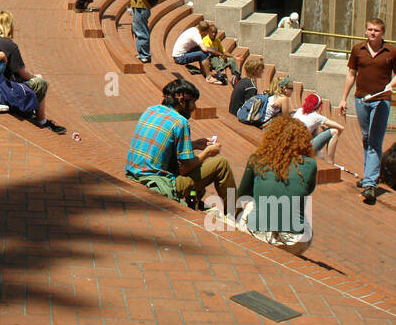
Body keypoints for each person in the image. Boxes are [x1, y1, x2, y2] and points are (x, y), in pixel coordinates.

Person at [126, 78, 236, 210]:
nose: (194, 107)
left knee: (195, 167)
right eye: (193, 102)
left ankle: (194, 204)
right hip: (159, 184)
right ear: (182, 101)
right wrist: (207, 153)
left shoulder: (151, 110)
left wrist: (194, 144)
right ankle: (235, 213)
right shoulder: (180, 122)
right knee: (220, 164)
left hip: (134, 174)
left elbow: (166, 145)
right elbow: (185, 168)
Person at [236, 116, 316, 252]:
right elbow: (307, 190)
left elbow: (242, 194)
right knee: (303, 212)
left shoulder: (257, 159)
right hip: (294, 241)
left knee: (250, 204)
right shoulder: (310, 165)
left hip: (257, 233)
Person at [338, 17, 396, 205]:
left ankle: (370, 184)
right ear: (366, 31)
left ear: (382, 33)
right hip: (361, 100)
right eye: (370, 29)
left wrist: (391, 85)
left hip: (381, 101)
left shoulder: (391, 51)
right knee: (366, 139)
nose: (372, 33)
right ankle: (369, 176)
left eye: (376, 30)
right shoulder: (358, 50)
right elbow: (351, 74)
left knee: (375, 140)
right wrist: (343, 98)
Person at [0, 11, 66, 133]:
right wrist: (36, 76)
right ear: (9, 26)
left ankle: (29, 112)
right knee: (41, 83)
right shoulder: (9, 45)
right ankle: (42, 121)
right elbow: (24, 74)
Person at [292, 91, 344, 164]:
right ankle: (330, 162)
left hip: (292, 146)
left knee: (315, 128)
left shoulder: (299, 110)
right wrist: (335, 136)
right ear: (318, 106)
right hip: (303, 150)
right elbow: (341, 128)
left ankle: (316, 155)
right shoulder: (317, 117)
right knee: (334, 131)